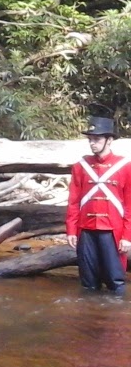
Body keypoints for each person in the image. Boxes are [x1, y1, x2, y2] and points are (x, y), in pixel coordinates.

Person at [65, 116, 130, 295]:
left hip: (112, 231)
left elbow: (130, 204)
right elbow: (73, 201)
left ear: (109, 140)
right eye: (90, 140)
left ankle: (115, 320)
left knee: (115, 280)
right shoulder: (80, 166)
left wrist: (127, 236)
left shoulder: (125, 166)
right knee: (88, 282)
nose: (92, 144)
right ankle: (89, 319)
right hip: (85, 230)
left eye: (97, 139)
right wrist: (71, 230)